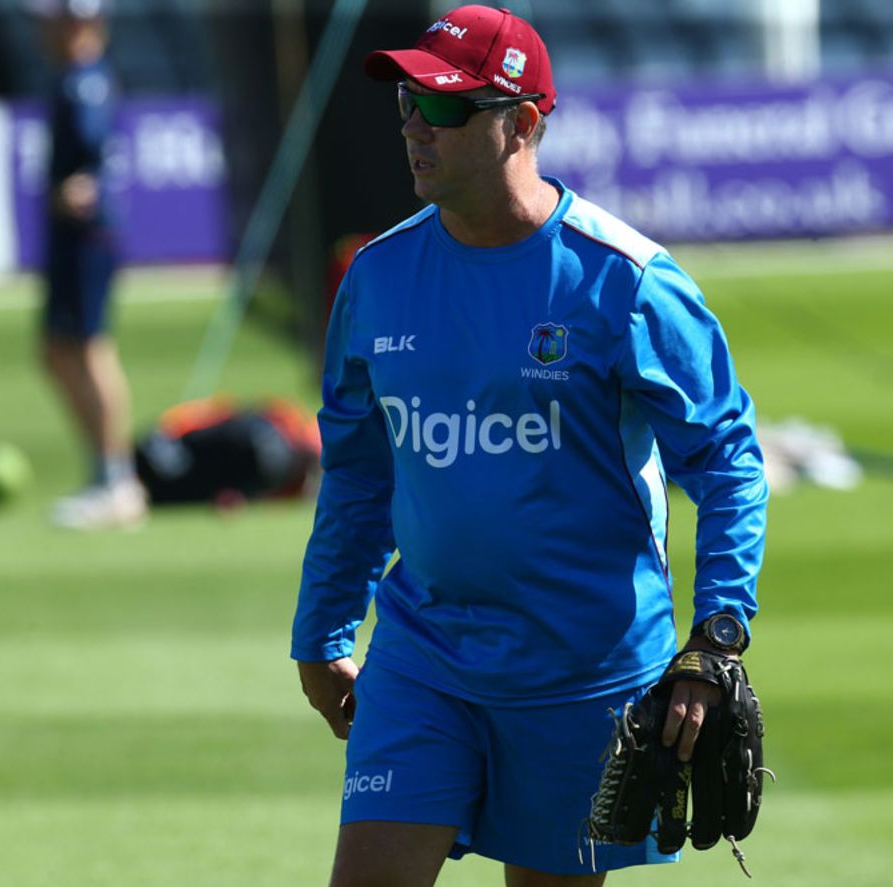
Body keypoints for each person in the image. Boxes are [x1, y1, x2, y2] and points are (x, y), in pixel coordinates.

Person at [291, 6, 768, 885]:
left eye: (441, 109)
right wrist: (321, 625)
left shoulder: (626, 280)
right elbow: (359, 474)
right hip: (423, 653)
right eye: (405, 103)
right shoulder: (376, 278)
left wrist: (717, 636)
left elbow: (728, 459)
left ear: (523, 124)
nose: (412, 129)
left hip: (582, 670)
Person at [32, 0, 145, 529]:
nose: (44, 29)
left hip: (87, 236)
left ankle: (116, 482)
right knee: (56, 352)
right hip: (74, 237)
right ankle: (103, 471)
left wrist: (79, 189)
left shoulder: (85, 80)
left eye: (54, 19)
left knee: (89, 349)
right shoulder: (74, 77)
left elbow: (94, 153)